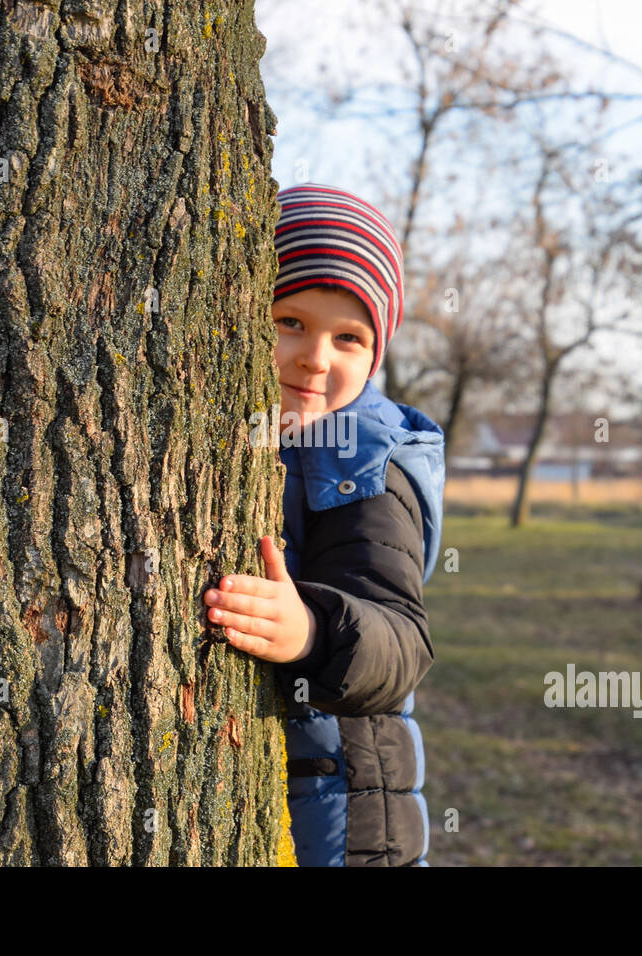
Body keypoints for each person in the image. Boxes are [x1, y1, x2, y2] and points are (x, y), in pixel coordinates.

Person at [202, 183, 446, 866]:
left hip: (354, 822)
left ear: (376, 356)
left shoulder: (368, 461)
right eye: (290, 322)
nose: (316, 357)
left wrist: (310, 630)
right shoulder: (248, 434)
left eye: (348, 337)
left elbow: (402, 642)